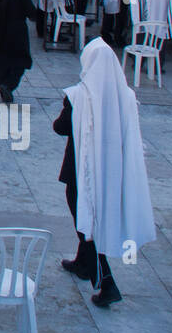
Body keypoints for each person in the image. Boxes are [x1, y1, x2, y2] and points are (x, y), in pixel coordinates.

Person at [53, 39, 156, 308]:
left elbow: (60, 127)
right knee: (88, 217)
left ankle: (106, 280)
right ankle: (82, 264)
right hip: (112, 172)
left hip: (81, 170)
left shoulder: (78, 96)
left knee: (85, 219)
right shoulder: (127, 96)